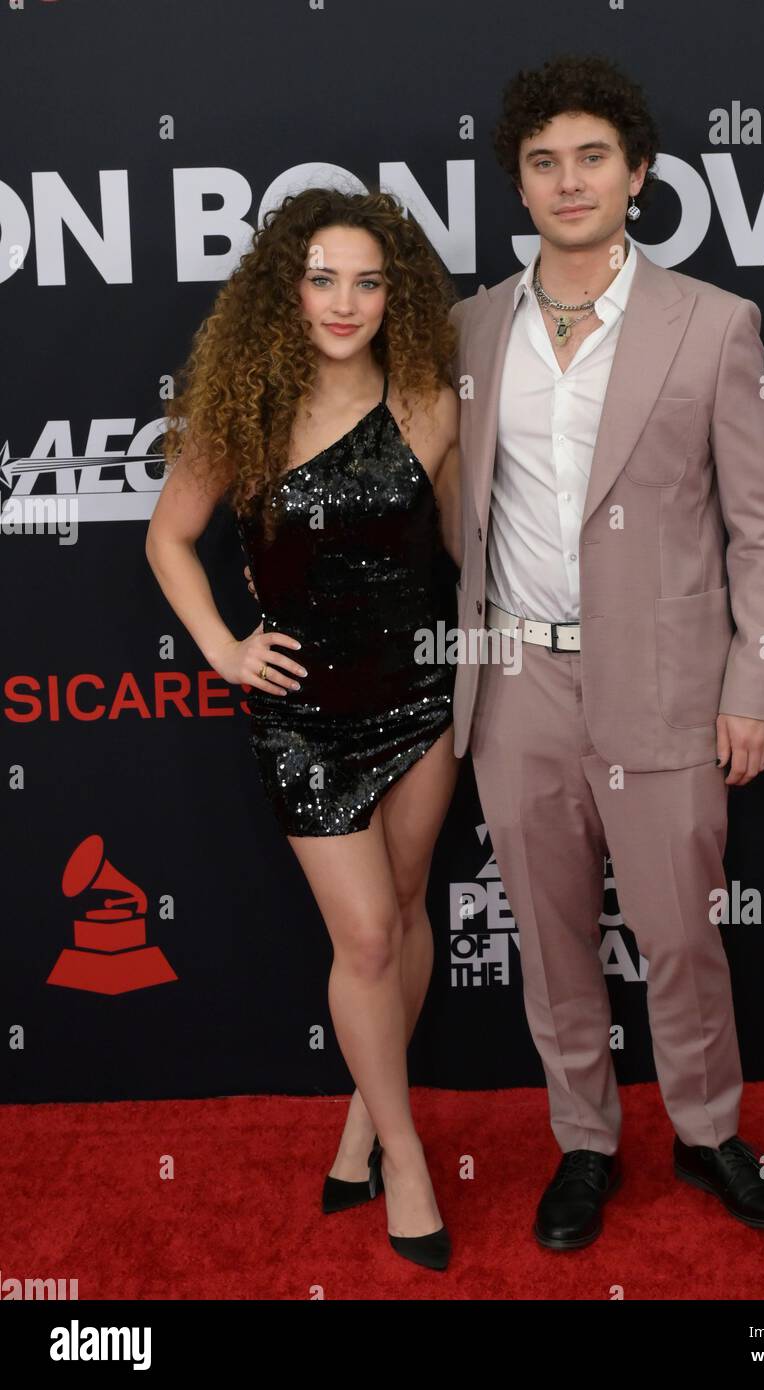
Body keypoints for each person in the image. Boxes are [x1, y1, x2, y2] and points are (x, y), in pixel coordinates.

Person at [448, 53, 764, 1249]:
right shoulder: (467, 330)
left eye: (592, 157)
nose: (568, 181)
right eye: (544, 162)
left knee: (681, 931)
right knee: (550, 942)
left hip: (665, 685)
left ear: (639, 173)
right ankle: (585, 1144)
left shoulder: (713, 324)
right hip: (515, 685)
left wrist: (756, 682)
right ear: (519, 182)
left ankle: (707, 1132)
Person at [145, 188, 462, 1271]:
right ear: (286, 287)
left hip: (419, 698)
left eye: (368, 280)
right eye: (323, 276)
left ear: (396, 293)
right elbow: (168, 539)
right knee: (366, 935)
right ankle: (408, 1153)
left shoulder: (428, 402)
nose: (345, 301)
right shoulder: (246, 410)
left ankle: (363, 1121)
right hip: (302, 718)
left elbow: (464, 545)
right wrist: (226, 648)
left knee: (412, 906)